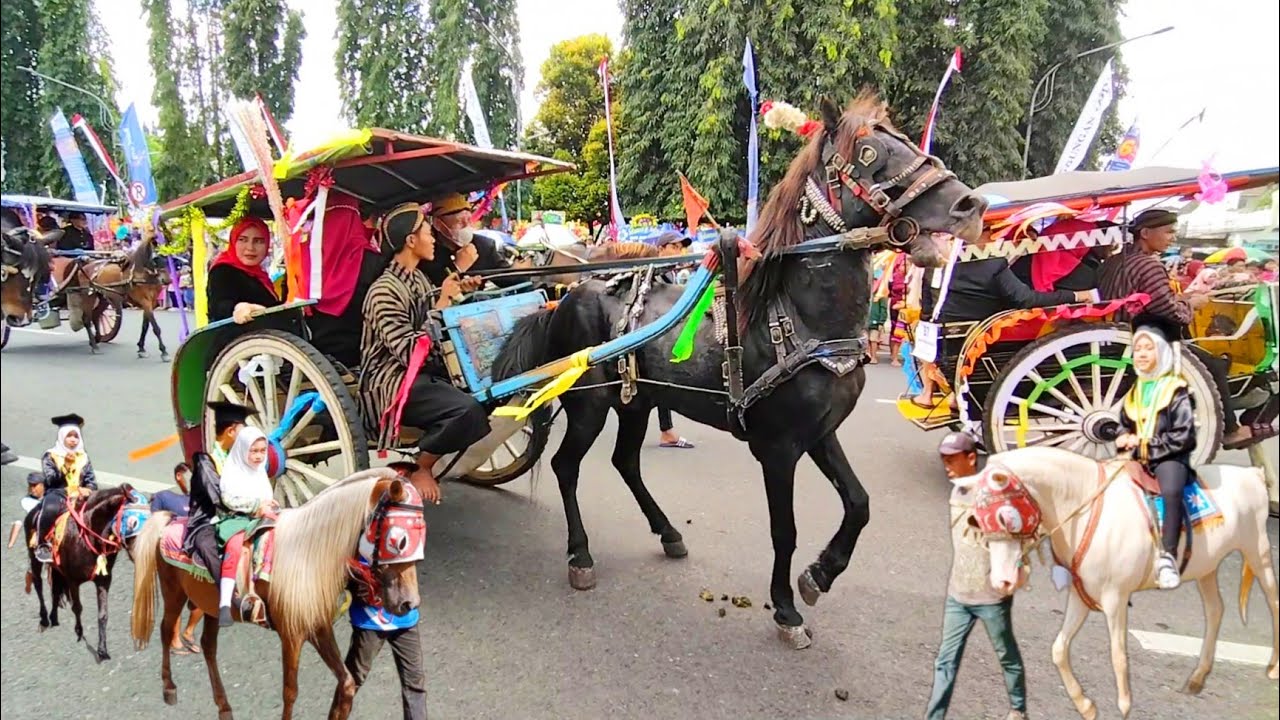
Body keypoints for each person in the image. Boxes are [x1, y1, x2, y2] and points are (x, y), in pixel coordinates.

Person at [360, 203, 491, 502]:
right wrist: (444, 300)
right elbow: (410, 350)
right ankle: (420, 466)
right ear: (410, 240)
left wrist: (459, 293)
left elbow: (436, 320)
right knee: (466, 410)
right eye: (428, 233)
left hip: (422, 374)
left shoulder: (418, 279)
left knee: (488, 395)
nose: (433, 239)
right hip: (391, 383)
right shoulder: (383, 291)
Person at [1099, 208, 1250, 448]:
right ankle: (1230, 430)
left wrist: (1184, 299)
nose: (1173, 237)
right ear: (1145, 233)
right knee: (1214, 367)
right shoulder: (1149, 266)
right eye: (1168, 231)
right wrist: (1192, 304)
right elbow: (1168, 311)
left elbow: (1154, 300)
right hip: (1142, 338)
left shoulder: (1114, 261)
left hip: (1115, 334)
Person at [927, 431, 1028, 720]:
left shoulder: (994, 494)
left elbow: (1014, 529)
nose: (946, 466)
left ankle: (1018, 710)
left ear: (971, 458)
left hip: (990, 597)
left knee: (1007, 655)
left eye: (952, 459)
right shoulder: (957, 489)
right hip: (958, 594)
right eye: (943, 459)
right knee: (945, 662)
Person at [1115, 321, 1196, 590]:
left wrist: (1145, 445)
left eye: (1149, 348)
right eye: (1138, 348)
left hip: (1169, 456)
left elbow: (1185, 436)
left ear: (1161, 352)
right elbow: (1125, 422)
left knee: (1171, 490)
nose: (1142, 353)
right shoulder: (1136, 390)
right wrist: (1122, 434)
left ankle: (1168, 557)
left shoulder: (1176, 389)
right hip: (1138, 455)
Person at [213, 426, 277, 626]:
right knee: (235, 545)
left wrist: (269, 505)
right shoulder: (232, 473)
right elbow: (229, 499)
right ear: (242, 450)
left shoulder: (259, 472)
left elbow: (266, 495)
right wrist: (257, 506)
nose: (259, 456)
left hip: (260, 517)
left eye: (262, 451)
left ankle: (265, 582)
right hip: (236, 518)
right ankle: (225, 601)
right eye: (254, 451)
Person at [418, 192, 525, 289]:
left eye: (468, 221)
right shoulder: (426, 250)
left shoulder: (484, 246)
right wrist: (458, 267)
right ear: (438, 225)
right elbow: (431, 290)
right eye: (460, 222)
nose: (466, 227)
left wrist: (522, 271)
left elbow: (509, 279)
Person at [151, 462, 204, 653]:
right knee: (175, 597)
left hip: (194, 552)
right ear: (179, 476)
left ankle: (189, 631)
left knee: (203, 596)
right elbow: (154, 522)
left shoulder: (201, 500)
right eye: (190, 474)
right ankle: (174, 640)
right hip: (172, 552)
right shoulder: (165, 497)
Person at [33, 414, 97, 563]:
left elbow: (91, 480)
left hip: (80, 494)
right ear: (62, 437)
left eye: (76, 436)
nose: (73, 440)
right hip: (58, 492)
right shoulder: (50, 456)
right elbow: (51, 479)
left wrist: (89, 489)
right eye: (69, 436)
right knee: (49, 508)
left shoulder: (84, 457)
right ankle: (42, 544)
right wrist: (66, 466)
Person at [207, 217, 282, 324]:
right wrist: (239, 308)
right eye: (243, 240)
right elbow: (220, 305)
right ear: (233, 242)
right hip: (240, 337)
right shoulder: (223, 270)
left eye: (258, 241)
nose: (250, 247)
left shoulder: (260, 275)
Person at [8, 473, 46, 550]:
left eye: (34, 485)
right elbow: (18, 522)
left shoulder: (50, 499)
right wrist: (11, 543)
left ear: (43, 485)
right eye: (30, 485)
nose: (32, 489)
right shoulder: (25, 502)